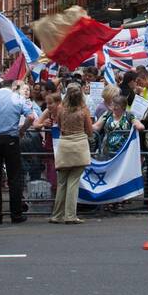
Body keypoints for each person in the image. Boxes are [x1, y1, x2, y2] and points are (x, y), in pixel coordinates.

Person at [0, 79, 35, 224]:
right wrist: (22, 130)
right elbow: (31, 117)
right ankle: (16, 214)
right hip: (11, 138)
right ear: (13, 87)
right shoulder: (18, 98)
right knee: (14, 177)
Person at [50, 85, 93, 225]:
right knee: (74, 181)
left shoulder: (61, 109)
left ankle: (57, 215)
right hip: (79, 144)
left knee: (62, 182)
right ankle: (70, 215)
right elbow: (89, 130)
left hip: (64, 144)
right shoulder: (83, 110)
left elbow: (60, 125)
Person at [95, 85, 142, 158]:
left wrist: (137, 125)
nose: (114, 107)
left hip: (124, 151)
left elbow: (140, 126)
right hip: (107, 151)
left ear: (123, 106)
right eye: (113, 105)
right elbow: (97, 126)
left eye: (117, 105)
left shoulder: (129, 115)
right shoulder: (107, 113)